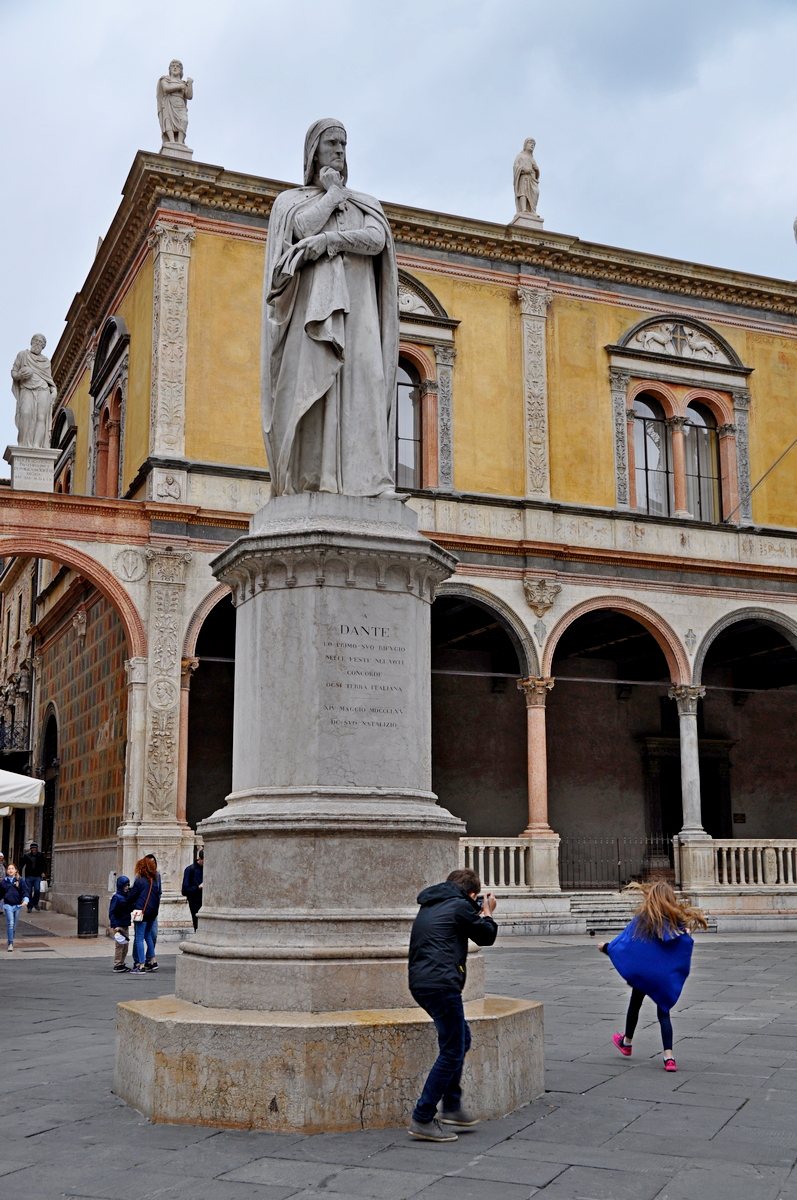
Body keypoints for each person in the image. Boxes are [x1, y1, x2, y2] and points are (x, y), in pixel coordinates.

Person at [262, 119, 399, 497]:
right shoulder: (291, 202)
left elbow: (375, 240)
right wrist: (331, 197)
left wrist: (332, 240)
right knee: (317, 388)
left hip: (360, 313)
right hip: (312, 317)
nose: (340, 150)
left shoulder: (365, 203)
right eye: (331, 144)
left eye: (344, 144)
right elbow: (302, 229)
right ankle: (317, 480)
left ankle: (371, 480)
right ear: (314, 153)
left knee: (367, 381)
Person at [407, 868, 498, 1142]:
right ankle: (423, 1117)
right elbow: (486, 936)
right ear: (472, 893)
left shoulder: (431, 903)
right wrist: (488, 911)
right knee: (452, 1050)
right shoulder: (460, 905)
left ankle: (452, 1106)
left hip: (422, 982)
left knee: (461, 1040)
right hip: (441, 983)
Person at [599, 880, 707, 1072]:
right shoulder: (677, 923)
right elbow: (682, 944)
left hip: (645, 974)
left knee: (635, 1004)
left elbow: (625, 943)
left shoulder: (643, 919)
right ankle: (669, 1057)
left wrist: (606, 948)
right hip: (663, 977)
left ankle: (627, 1042)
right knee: (663, 1013)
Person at [128, 857, 161, 974]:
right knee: (148, 935)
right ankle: (153, 960)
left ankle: (141, 965)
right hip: (152, 912)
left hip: (141, 911)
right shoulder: (155, 879)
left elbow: (132, 895)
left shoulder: (140, 879)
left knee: (139, 938)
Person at [0, 864, 30, 951]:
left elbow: (25, 891)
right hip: (7, 905)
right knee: (11, 923)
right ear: (6, 871)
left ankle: (11, 939)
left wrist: (26, 900)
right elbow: (0, 893)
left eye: (12, 869)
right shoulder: (4, 882)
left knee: (14, 925)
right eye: (9, 869)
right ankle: (10, 943)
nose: (10, 870)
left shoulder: (20, 880)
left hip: (17, 905)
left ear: (15, 870)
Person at [109, 875, 132, 973]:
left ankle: (122, 962)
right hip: (119, 924)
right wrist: (115, 925)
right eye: (125, 885)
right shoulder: (117, 897)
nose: (127, 887)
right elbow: (112, 912)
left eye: (128, 885)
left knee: (125, 946)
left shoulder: (126, 896)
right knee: (119, 946)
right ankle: (118, 963)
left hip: (125, 923)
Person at [20, 842, 47, 913]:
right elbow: (22, 865)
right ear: (31, 849)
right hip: (28, 876)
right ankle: (29, 906)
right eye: (32, 848)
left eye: (34, 848)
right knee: (28, 892)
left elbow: (44, 864)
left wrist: (43, 872)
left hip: (37, 876)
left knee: (37, 890)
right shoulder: (26, 856)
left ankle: (35, 903)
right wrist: (18, 874)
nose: (33, 849)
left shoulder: (40, 855)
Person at [181, 849, 203, 931]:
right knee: (198, 927)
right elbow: (184, 890)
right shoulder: (190, 870)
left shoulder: (209, 869)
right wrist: (198, 887)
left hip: (207, 903)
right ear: (199, 859)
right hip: (195, 903)